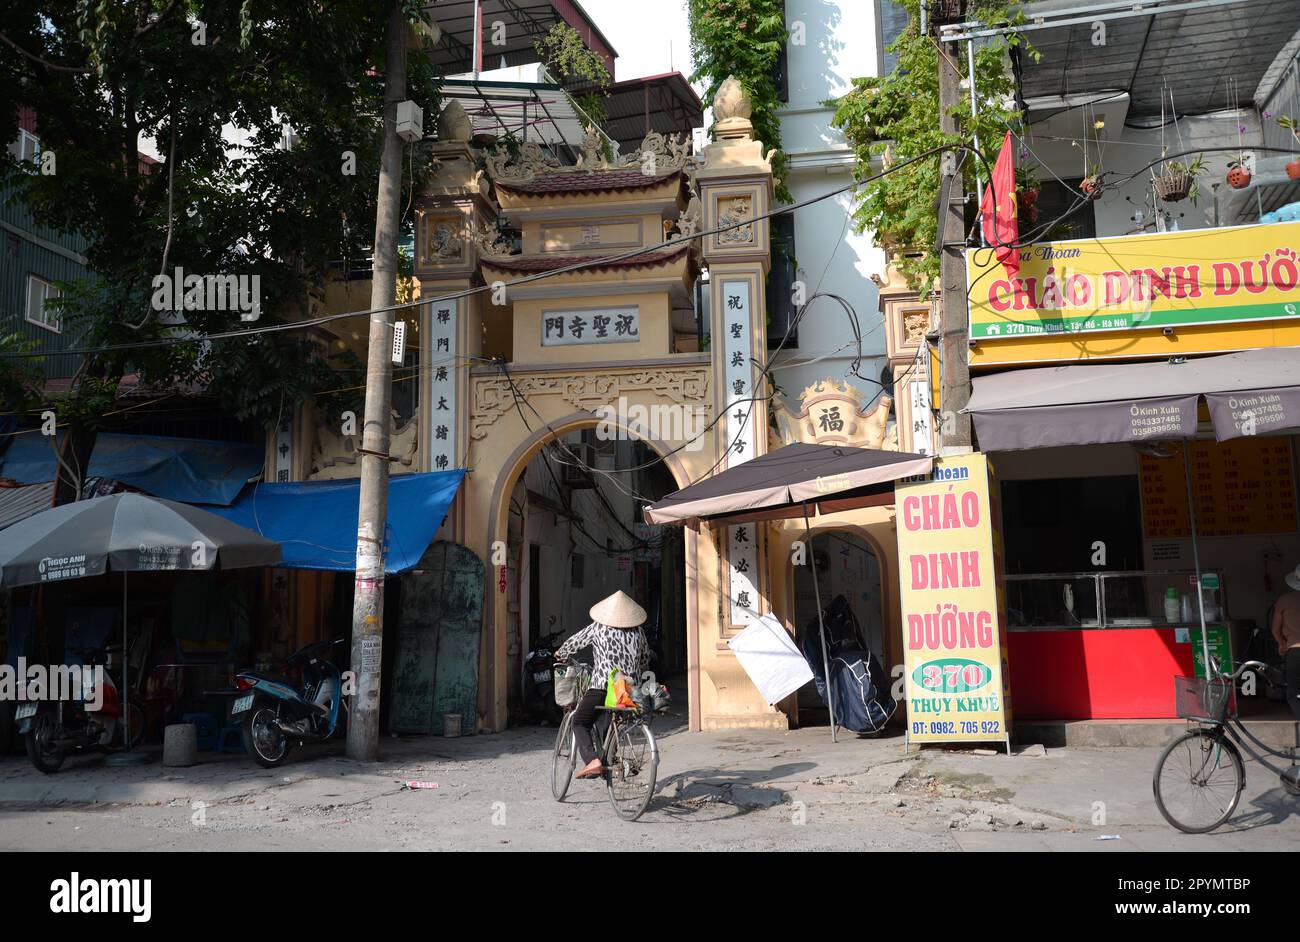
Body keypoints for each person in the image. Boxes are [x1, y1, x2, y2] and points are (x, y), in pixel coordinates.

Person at [554, 590, 650, 780]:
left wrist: (561, 654)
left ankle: (592, 761)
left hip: (603, 686)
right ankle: (609, 760)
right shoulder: (639, 632)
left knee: (580, 722)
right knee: (613, 720)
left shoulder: (599, 628)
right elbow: (645, 658)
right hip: (629, 690)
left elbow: (573, 644)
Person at [1271, 565, 1300, 722]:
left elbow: (1275, 630)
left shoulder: (1284, 600)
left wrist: (1282, 644)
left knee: (1293, 693)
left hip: (1295, 652)